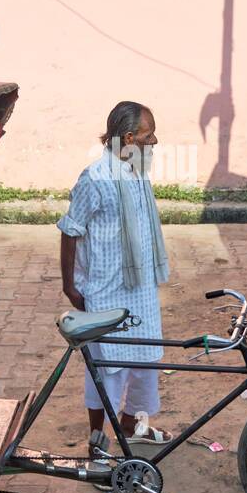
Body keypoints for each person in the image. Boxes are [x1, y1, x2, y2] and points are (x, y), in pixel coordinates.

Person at [58, 101, 174, 469]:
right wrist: (70, 286)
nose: (154, 140)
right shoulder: (94, 179)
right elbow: (70, 230)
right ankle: (98, 448)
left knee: (145, 363)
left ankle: (129, 427)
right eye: (148, 134)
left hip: (140, 290)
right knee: (108, 370)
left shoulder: (137, 171)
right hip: (105, 291)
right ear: (128, 138)